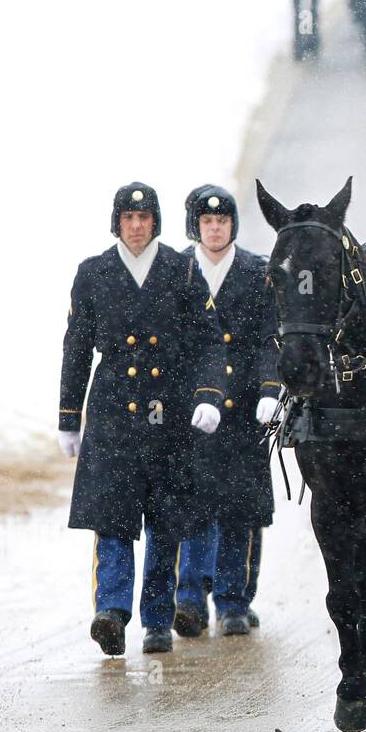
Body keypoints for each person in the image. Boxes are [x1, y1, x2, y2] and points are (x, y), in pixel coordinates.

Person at [59, 184, 226, 656]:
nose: (137, 226)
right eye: (128, 217)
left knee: (165, 520)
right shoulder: (92, 273)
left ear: (156, 222)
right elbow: (76, 348)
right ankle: (110, 612)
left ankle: (156, 619)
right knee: (111, 518)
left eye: (145, 217)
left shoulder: (182, 268)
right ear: (117, 221)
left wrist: (209, 395)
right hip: (113, 414)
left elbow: (209, 341)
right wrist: (68, 417)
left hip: (169, 415)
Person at [173, 186, 280, 638]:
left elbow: (269, 339)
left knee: (241, 508)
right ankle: (190, 599)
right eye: (206, 222)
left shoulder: (258, 272)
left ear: (233, 225)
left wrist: (271, 390)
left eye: (223, 221)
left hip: (242, 413)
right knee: (191, 506)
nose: (215, 229)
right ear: (195, 225)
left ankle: (234, 600)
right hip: (193, 412)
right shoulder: (176, 271)